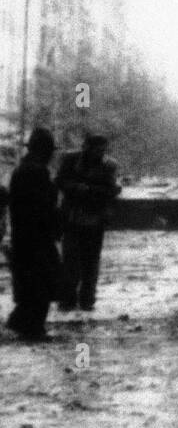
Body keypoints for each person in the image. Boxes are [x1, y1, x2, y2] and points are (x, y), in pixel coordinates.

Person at [6, 128, 62, 342]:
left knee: (32, 282)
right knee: (42, 282)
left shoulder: (23, 169)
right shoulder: (36, 171)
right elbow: (43, 206)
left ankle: (25, 322)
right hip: (37, 236)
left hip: (25, 235)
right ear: (44, 150)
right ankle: (30, 326)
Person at [56, 132, 121, 312]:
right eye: (96, 150)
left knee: (91, 262)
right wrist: (76, 187)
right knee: (70, 261)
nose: (100, 154)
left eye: (103, 150)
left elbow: (112, 190)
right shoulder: (70, 160)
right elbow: (59, 181)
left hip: (95, 218)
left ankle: (87, 300)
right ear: (87, 147)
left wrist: (90, 189)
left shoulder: (109, 165)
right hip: (72, 217)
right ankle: (67, 300)